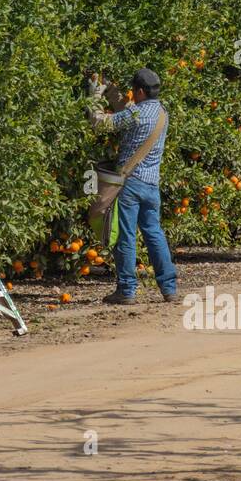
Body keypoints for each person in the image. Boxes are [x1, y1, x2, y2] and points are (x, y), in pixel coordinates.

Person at [88, 67, 176, 304]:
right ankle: (169, 288)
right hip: (151, 185)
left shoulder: (136, 114)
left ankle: (126, 290)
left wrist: (95, 94)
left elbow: (100, 123)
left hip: (130, 184)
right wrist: (111, 89)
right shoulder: (161, 113)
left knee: (125, 236)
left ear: (139, 91)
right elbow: (125, 108)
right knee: (154, 233)